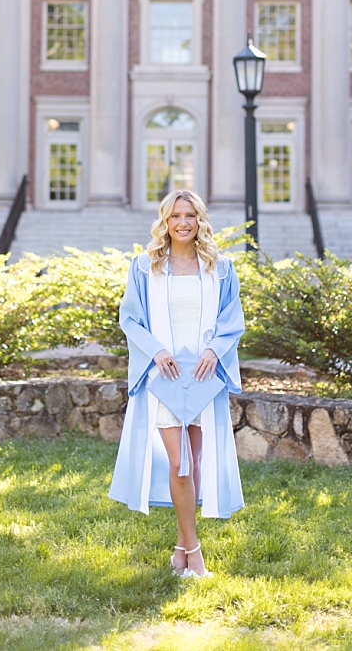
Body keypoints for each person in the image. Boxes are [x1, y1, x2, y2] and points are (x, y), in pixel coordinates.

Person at [108, 189, 245, 578]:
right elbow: (130, 319)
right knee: (180, 462)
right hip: (165, 374)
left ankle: (180, 550)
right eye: (175, 216)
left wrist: (215, 351)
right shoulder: (143, 267)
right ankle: (195, 553)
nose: (183, 223)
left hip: (202, 374)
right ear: (164, 222)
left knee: (196, 461)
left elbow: (232, 321)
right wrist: (155, 351)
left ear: (200, 220)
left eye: (190, 215)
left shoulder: (220, 267)